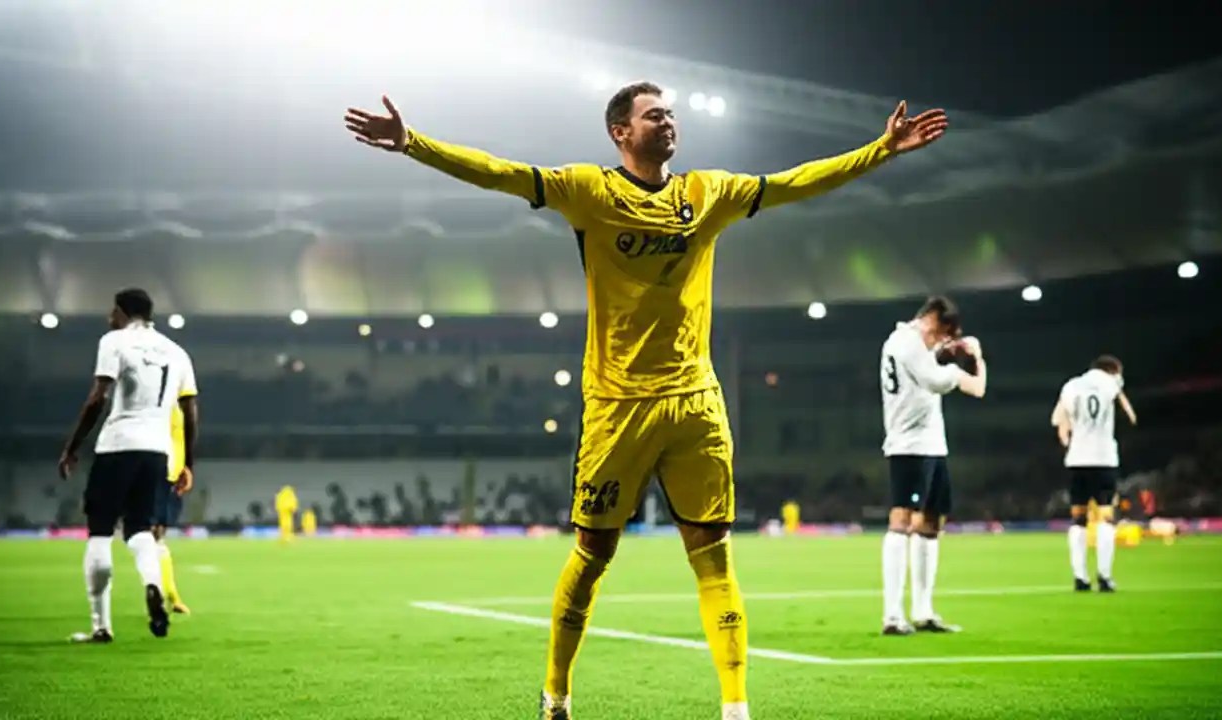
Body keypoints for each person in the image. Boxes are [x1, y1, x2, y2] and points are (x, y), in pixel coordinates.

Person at [346, 82, 948, 720]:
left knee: (713, 557)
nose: (669, 122)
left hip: (694, 403)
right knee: (592, 555)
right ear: (620, 132)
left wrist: (879, 151)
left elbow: (794, 183)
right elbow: (500, 173)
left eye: (671, 113)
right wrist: (413, 144)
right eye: (654, 114)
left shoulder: (705, 193)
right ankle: (556, 693)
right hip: (618, 407)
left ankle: (737, 709)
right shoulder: (589, 191)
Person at [60, 289, 198, 643]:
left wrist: (72, 447)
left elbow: (98, 398)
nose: (109, 316)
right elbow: (190, 412)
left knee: (101, 530)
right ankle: (153, 585)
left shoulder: (115, 341)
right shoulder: (177, 351)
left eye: (112, 310)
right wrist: (186, 463)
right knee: (139, 529)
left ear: (121, 311)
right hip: (157, 451)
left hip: (118, 444)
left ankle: (100, 626)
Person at [879, 296, 986, 636]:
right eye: (941, 332)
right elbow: (935, 381)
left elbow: (929, 370)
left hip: (932, 445)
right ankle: (893, 615)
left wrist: (949, 353)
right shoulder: (905, 341)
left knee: (932, 522)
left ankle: (923, 610)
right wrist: (959, 368)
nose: (941, 340)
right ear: (930, 319)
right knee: (902, 520)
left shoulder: (912, 345)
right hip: (908, 445)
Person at [1051, 355, 1136, 592]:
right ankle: (1105, 577)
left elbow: (1057, 418)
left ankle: (1080, 578)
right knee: (1106, 517)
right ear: (1113, 371)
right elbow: (1130, 414)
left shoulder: (1071, 385)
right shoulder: (1111, 384)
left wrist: (1068, 438)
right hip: (1103, 459)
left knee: (1078, 519)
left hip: (1077, 459)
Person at [153, 394, 198, 616]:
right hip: (158, 474)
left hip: (168, 475)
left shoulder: (174, 409)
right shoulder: (163, 408)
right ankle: (167, 595)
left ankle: (167, 595)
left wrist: (185, 467)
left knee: (156, 537)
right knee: (152, 537)